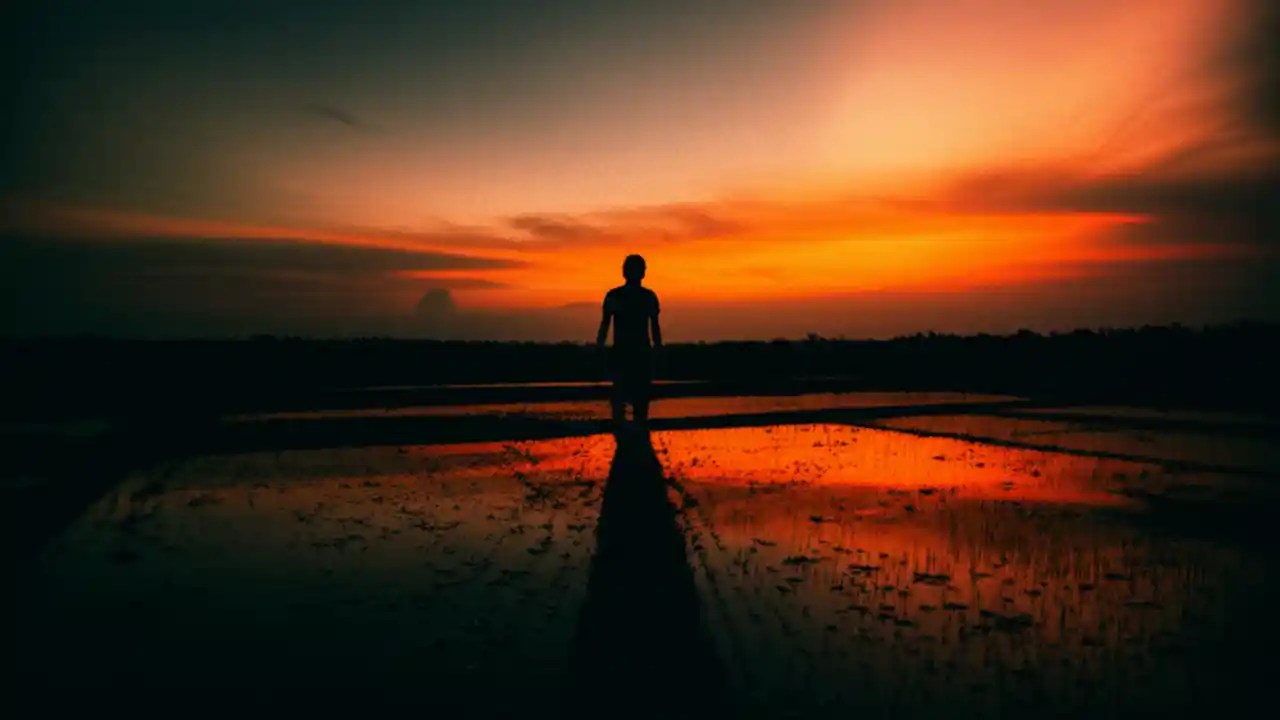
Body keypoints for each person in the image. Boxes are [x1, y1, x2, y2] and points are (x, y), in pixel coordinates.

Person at [596, 254, 662, 424]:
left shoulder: (639, 297)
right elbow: (605, 325)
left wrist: (599, 347)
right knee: (626, 402)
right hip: (628, 354)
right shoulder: (641, 297)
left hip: (636, 354)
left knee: (633, 403)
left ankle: (632, 441)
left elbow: (654, 327)